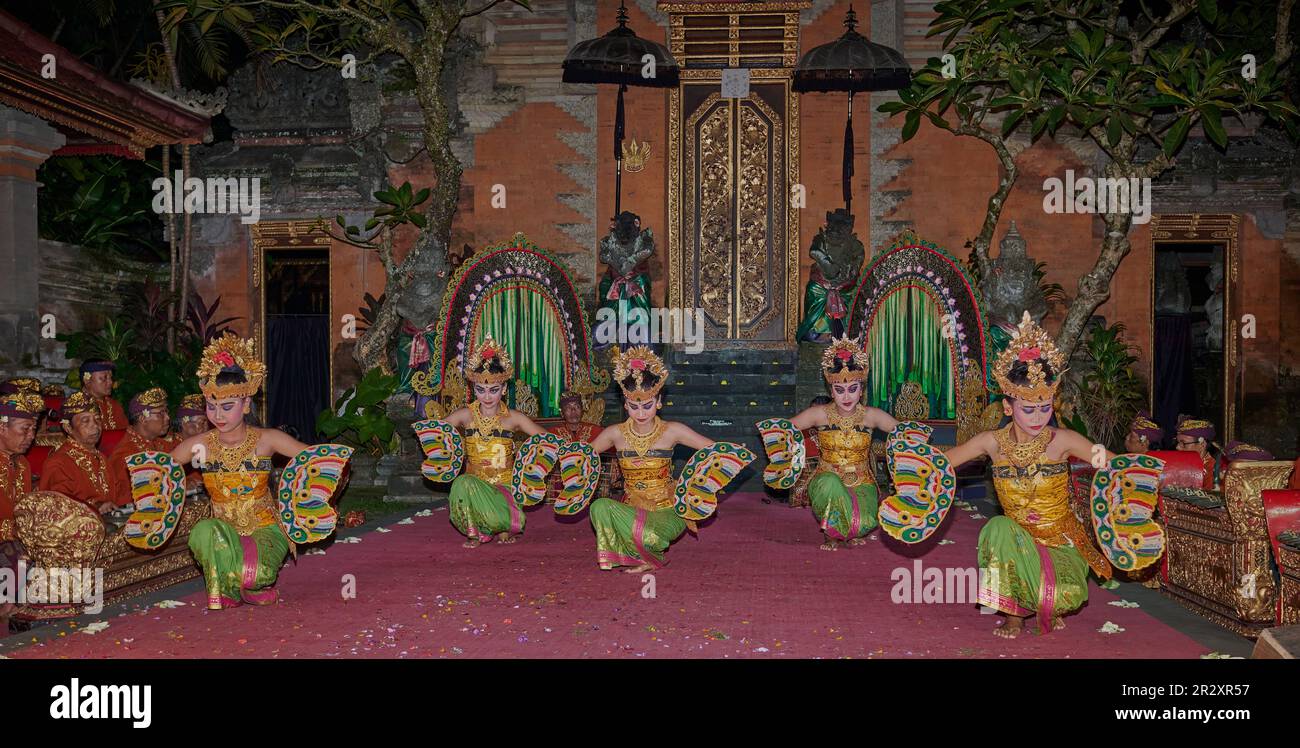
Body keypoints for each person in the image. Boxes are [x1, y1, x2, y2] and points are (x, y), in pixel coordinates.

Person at [937, 312, 1114, 638]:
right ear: (1008, 407)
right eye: (1028, 409)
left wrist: (1159, 467)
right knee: (998, 527)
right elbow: (941, 464)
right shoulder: (991, 442)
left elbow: (1109, 462)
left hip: (1061, 544)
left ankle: (1049, 599)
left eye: (1045, 407)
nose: (1038, 417)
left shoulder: (1064, 440)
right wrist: (909, 461)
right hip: (1014, 544)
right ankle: (1013, 615)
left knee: (1063, 596)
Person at [167, 333, 321, 609]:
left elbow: (316, 460)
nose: (218, 415)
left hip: (264, 528)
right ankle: (225, 589)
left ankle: (242, 584)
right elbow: (160, 471)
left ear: (246, 404)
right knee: (202, 532)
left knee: (256, 575)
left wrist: (308, 503)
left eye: (227, 407)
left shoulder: (267, 439)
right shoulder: (200, 445)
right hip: (223, 532)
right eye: (212, 407)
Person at [584, 346, 720, 573]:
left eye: (647, 405)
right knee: (599, 507)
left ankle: (646, 554)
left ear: (658, 401)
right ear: (626, 404)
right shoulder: (614, 433)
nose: (640, 413)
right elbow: (581, 458)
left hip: (669, 510)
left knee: (652, 537)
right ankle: (635, 553)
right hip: (633, 509)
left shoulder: (672, 431)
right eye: (634, 406)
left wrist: (695, 485)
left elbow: (716, 452)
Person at [782, 337, 899, 549]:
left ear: (861, 390)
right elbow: (782, 431)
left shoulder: (872, 416)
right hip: (826, 480)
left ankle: (851, 529)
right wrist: (786, 455)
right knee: (831, 484)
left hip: (862, 482)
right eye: (840, 390)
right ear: (831, 390)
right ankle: (832, 534)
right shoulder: (819, 414)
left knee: (864, 523)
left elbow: (905, 434)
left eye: (852, 389)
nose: (846, 396)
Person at [440, 334, 548, 547]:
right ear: (473, 390)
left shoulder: (513, 418)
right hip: (474, 486)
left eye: (494, 390)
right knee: (462, 482)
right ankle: (476, 532)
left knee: (501, 516)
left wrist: (530, 465)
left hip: (505, 488)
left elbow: (546, 440)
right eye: (481, 390)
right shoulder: (465, 415)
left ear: (504, 389)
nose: (487, 397)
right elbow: (436, 433)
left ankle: (504, 524)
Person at [0, 392, 42, 633]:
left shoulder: (22, 464)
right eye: (25, 429)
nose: (31, 437)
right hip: (7, 544)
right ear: (2, 427)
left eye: (33, 429)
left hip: (15, 540)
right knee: (20, 556)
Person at [38, 391, 112, 514]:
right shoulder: (58, 463)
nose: (95, 426)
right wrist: (95, 506)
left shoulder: (102, 458)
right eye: (85, 421)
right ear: (68, 428)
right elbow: (59, 508)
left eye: (97, 419)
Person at [106, 387, 172, 507]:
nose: (167, 418)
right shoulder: (126, 455)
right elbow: (133, 500)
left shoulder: (161, 444)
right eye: (161, 413)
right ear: (143, 419)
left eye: (166, 412)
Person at [546, 391, 614, 502]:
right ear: (562, 413)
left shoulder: (596, 430)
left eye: (577, 407)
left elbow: (613, 446)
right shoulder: (553, 433)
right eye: (568, 408)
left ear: (582, 410)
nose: (573, 411)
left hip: (590, 475)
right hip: (562, 476)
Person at [79, 359, 128, 431]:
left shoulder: (114, 405)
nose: (110, 382)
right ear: (87, 380)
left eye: (111, 377)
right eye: (104, 378)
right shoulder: (77, 407)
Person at [1174, 414, 1219, 490]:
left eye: (1184, 443)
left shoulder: (1212, 471)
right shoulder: (1180, 464)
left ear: (1202, 444)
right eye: (1177, 442)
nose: (1177, 447)